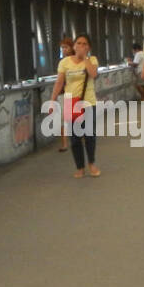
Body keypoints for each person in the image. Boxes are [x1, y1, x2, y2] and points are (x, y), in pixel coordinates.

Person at [50, 33, 100, 178]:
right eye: (78, 43)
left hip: (88, 102)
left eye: (85, 44)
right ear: (74, 45)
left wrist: (85, 58)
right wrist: (52, 100)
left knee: (90, 135)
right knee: (75, 137)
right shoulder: (65, 62)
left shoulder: (92, 60)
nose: (81, 46)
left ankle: (91, 163)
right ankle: (80, 167)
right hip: (70, 102)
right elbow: (59, 82)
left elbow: (94, 74)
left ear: (89, 47)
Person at [57, 36, 74, 152]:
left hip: (74, 93)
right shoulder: (62, 62)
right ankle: (64, 143)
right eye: (62, 48)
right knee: (64, 119)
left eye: (65, 47)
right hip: (64, 93)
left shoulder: (77, 60)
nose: (63, 50)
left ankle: (78, 138)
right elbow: (59, 81)